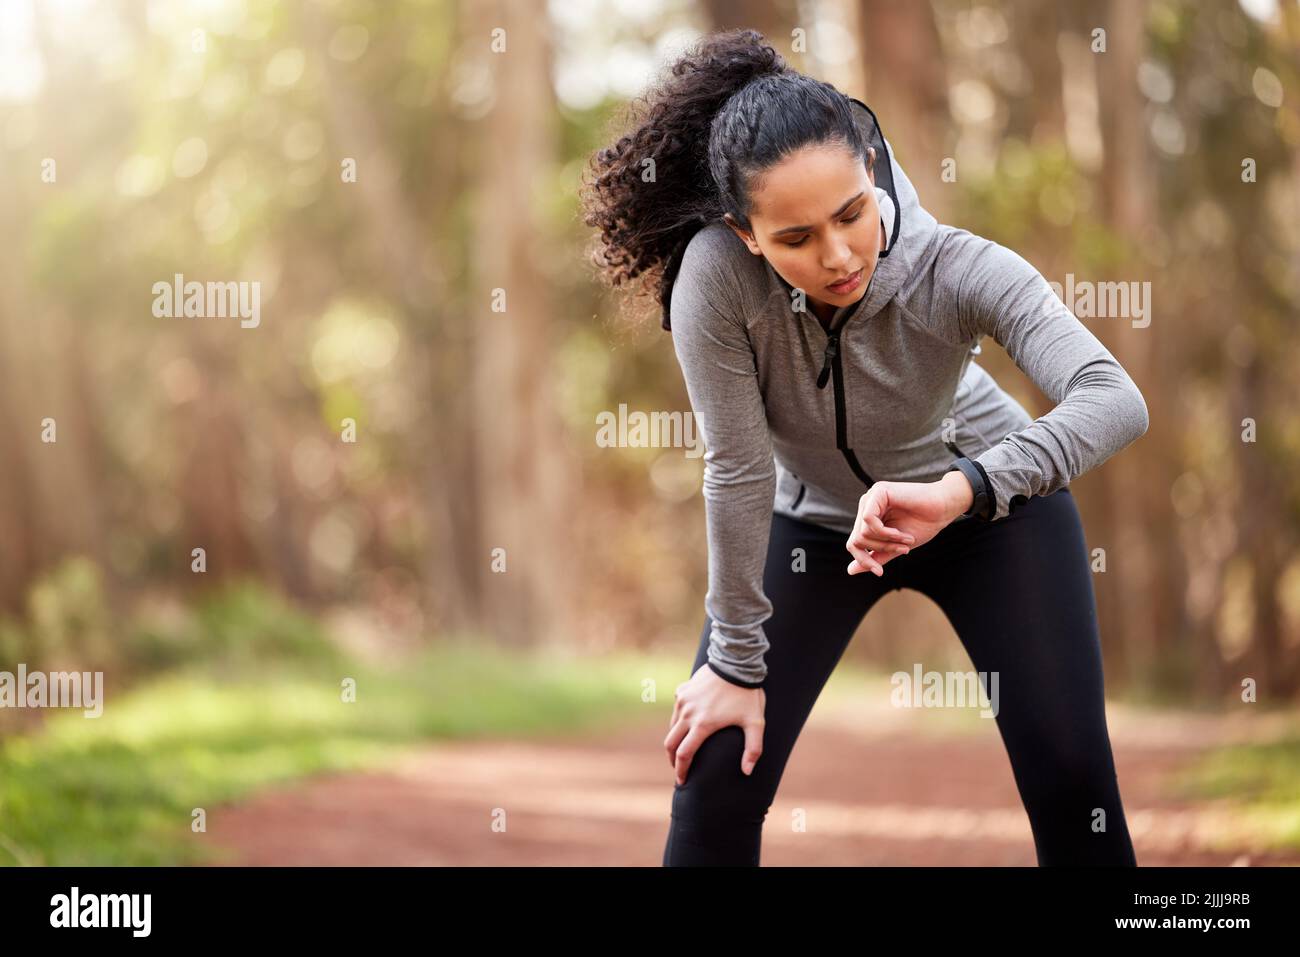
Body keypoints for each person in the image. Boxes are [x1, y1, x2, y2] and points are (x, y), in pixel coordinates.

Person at [581, 29, 1147, 867]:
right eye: (796, 238)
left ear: (873, 170)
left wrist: (964, 489)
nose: (839, 255)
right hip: (811, 528)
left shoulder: (955, 269)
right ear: (744, 234)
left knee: (1071, 774)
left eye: (850, 215)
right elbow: (737, 465)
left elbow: (1116, 398)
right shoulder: (714, 278)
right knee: (715, 774)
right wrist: (734, 665)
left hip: (991, 512)